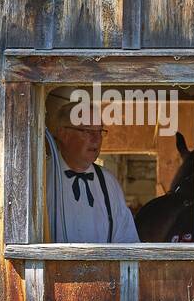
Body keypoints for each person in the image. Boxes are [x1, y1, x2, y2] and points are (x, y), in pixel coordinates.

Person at [44, 90, 141, 243]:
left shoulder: (109, 183)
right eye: (87, 131)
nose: (96, 139)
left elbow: (127, 240)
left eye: (99, 131)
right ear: (64, 134)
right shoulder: (41, 178)